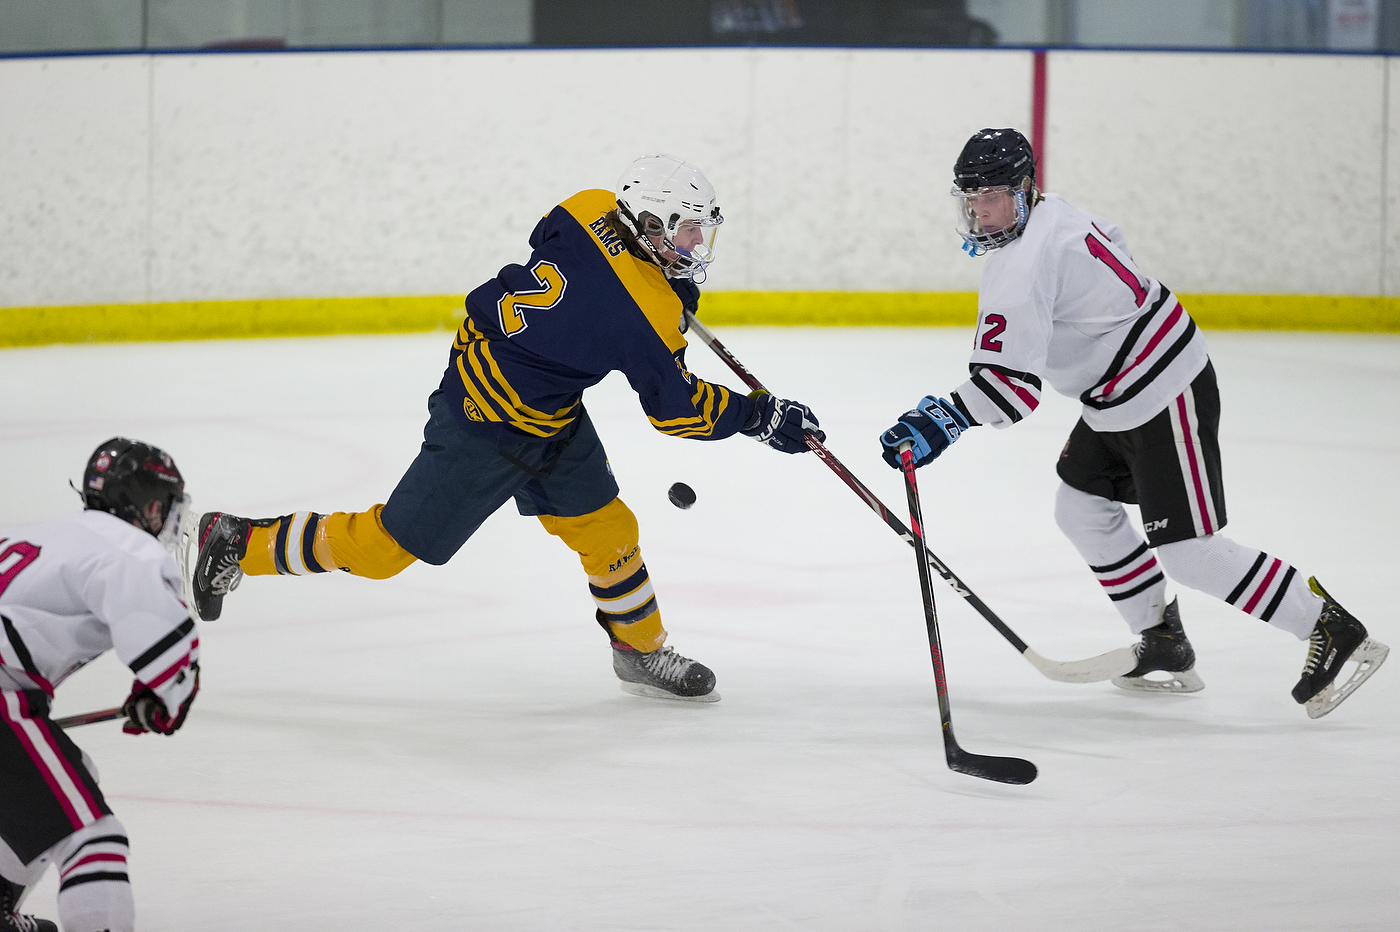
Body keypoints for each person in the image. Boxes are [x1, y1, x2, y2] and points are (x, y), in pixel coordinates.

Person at [192, 153, 824, 703]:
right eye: (684, 234)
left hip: (542, 406)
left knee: (609, 530)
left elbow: (545, 238)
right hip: (484, 424)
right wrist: (760, 417)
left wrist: (645, 291)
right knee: (387, 550)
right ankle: (238, 541)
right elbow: (677, 410)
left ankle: (638, 649)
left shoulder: (589, 206)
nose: (691, 249)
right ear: (650, 223)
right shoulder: (647, 314)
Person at [876, 128, 1387, 717]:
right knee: (1081, 508)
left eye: (994, 196)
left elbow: (1011, 392)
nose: (981, 211)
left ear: (1025, 190)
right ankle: (1163, 641)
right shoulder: (1058, 218)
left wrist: (942, 421)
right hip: (1120, 392)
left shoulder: (1023, 266)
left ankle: (1328, 624)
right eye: (972, 198)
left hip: (1163, 389)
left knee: (1189, 552)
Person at [1, 439, 201, 932]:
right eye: (162, 506)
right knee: (92, 836)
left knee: (68, 778)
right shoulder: (127, 548)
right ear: (146, 504)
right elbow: (171, 660)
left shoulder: (43, 533)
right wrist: (162, 699)